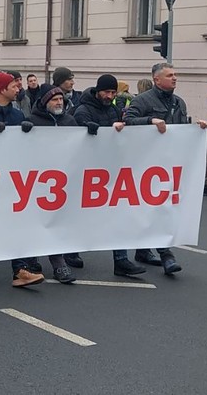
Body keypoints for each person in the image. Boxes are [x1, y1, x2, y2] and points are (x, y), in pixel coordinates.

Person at [125, 63, 207, 275]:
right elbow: (128, 121)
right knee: (154, 208)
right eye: (170, 75)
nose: (174, 78)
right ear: (157, 80)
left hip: (169, 165)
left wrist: (196, 129)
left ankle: (144, 251)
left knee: (163, 208)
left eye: (175, 75)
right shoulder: (142, 100)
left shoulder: (178, 102)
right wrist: (150, 121)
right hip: (146, 166)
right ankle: (166, 255)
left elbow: (180, 129)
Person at [0, 71, 46, 288]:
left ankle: (20, 270)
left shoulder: (17, 116)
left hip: (13, 179)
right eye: (13, 85)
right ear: (2, 90)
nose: (18, 88)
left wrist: (28, 133)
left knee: (17, 222)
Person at [72, 74, 147, 278]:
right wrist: (88, 128)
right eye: (107, 92)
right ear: (98, 91)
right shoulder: (83, 110)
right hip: (87, 173)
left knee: (117, 214)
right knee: (82, 216)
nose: (110, 96)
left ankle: (121, 260)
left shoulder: (113, 110)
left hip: (110, 171)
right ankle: (70, 251)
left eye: (113, 92)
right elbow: (75, 135)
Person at [24, 87, 82, 283]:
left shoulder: (69, 121)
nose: (59, 103)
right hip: (38, 181)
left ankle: (59, 264)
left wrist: (90, 133)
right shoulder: (33, 121)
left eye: (61, 99)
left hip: (62, 181)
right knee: (36, 222)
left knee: (57, 222)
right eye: (54, 99)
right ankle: (31, 258)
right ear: (44, 102)